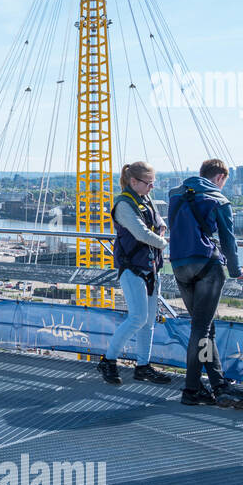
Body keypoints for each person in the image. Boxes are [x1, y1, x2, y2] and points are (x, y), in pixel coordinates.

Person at [167, 159, 243, 407]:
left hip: (179, 265)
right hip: (206, 266)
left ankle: (217, 384)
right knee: (201, 330)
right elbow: (228, 240)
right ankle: (192, 389)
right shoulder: (219, 199)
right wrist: (236, 270)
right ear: (219, 178)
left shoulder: (175, 195)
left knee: (205, 328)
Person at [97, 162, 174, 385]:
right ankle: (108, 361)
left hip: (150, 268)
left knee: (148, 322)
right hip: (132, 268)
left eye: (153, 183)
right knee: (138, 317)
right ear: (133, 182)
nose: (152, 187)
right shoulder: (124, 205)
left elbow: (157, 226)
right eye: (148, 183)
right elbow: (141, 233)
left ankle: (143, 366)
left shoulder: (145, 201)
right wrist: (165, 244)